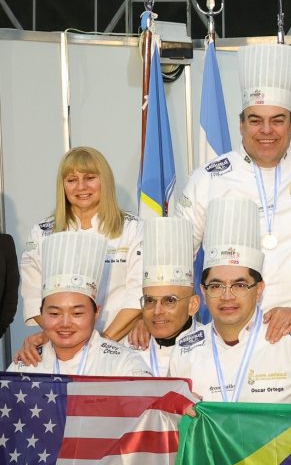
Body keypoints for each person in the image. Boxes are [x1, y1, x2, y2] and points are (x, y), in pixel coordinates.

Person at [171, 41, 291, 338]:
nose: (266, 131)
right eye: (256, 121)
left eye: (277, 120)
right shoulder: (208, 178)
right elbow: (176, 257)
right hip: (231, 336)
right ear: (241, 125)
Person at [166, 196, 291, 402]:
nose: (227, 296)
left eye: (239, 285)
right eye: (216, 286)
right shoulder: (185, 350)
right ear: (203, 292)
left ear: (259, 290)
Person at [16, 147, 143, 355]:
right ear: (63, 186)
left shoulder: (132, 228)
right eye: (72, 180)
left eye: (90, 178)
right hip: (65, 348)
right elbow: (34, 297)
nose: (81, 187)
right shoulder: (42, 232)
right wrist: (66, 339)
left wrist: (100, 346)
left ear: (105, 181)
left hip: (121, 345)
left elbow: (138, 293)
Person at [6, 230, 144, 376]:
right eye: (54, 313)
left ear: (96, 313)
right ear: (41, 313)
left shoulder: (125, 365)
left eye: (77, 313)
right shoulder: (24, 365)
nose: (65, 323)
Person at [134, 216, 200, 373]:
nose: (157, 311)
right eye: (149, 300)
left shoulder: (213, 348)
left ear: (193, 305)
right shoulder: (126, 351)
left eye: (170, 300)